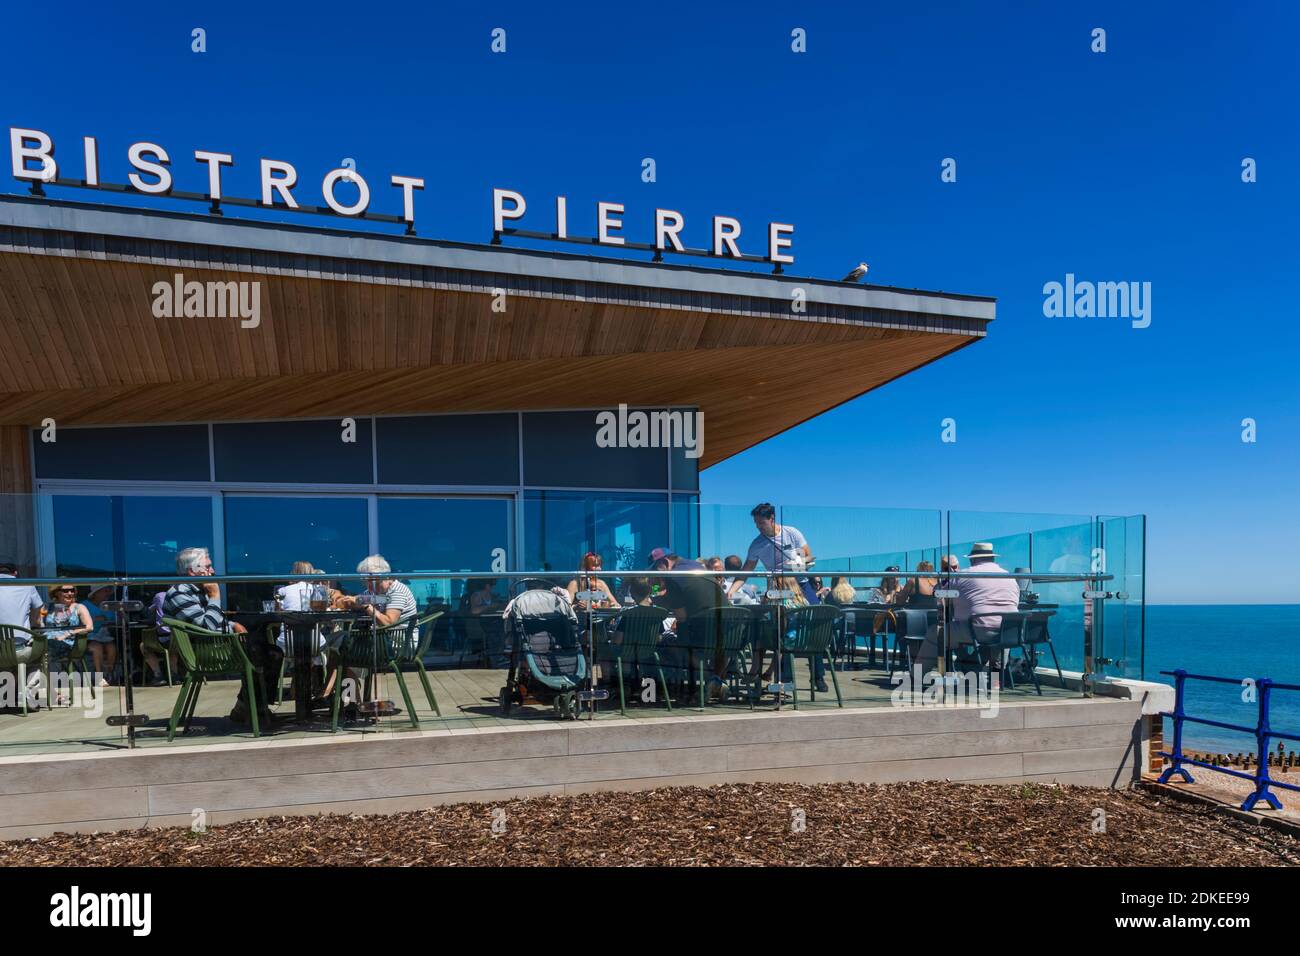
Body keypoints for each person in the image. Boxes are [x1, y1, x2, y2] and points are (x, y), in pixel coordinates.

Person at [162, 547, 281, 725]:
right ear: (192, 572)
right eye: (208, 567)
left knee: (272, 652)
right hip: (203, 653)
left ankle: (249, 707)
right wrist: (215, 595)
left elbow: (212, 622)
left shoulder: (197, 591)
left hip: (215, 645)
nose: (213, 571)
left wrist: (233, 624)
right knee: (263, 653)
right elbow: (207, 626)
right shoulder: (179, 593)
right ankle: (253, 709)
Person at [729, 502, 819, 605]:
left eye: (761, 523)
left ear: (772, 518)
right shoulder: (756, 545)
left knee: (817, 611)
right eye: (756, 523)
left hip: (800, 582)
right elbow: (745, 572)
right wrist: (731, 591)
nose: (758, 526)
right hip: (778, 586)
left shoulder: (792, 533)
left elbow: (809, 556)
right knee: (784, 617)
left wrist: (796, 562)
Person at [949, 543, 1021, 665]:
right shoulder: (1009, 576)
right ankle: (995, 677)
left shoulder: (965, 574)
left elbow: (937, 592)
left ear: (973, 559)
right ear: (993, 558)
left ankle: (917, 677)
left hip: (979, 630)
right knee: (998, 633)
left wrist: (950, 576)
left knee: (935, 634)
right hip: (1010, 632)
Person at [337, 555, 417, 628]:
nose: (366, 584)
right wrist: (348, 601)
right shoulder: (376, 592)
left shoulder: (397, 591)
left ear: (380, 577)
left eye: (369, 580)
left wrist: (366, 606)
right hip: (381, 637)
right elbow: (353, 601)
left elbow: (389, 623)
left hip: (398, 640)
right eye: (364, 581)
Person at [0, 561, 44, 673]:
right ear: (15, 573)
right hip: (20, 650)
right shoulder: (26, 585)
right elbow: (38, 609)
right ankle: (28, 687)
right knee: (43, 648)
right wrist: (34, 622)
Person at [82, 585, 119, 684]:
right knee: (97, 647)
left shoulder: (108, 605)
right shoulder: (84, 605)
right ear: (95, 593)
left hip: (105, 635)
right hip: (88, 636)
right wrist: (94, 620)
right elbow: (80, 622)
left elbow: (115, 620)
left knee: (112, 648)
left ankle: (108, 674)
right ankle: (99, 677)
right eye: (104, 591)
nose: (107, 593)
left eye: (108, 591)